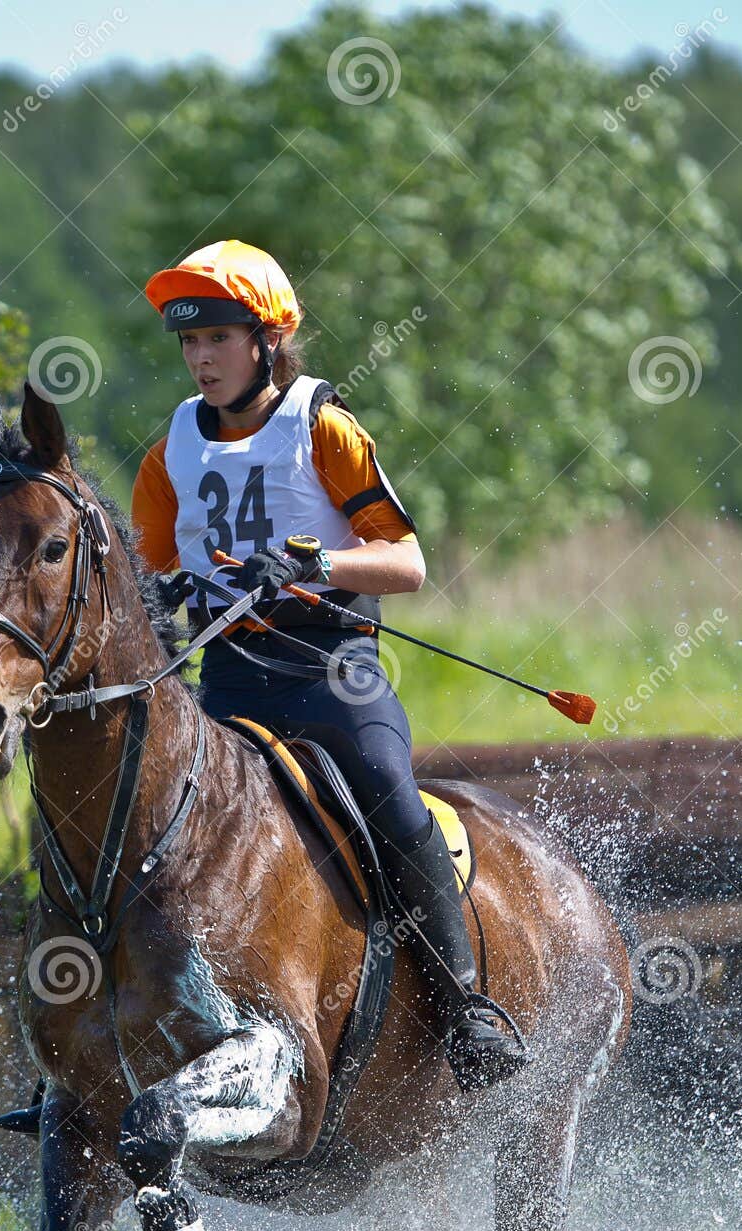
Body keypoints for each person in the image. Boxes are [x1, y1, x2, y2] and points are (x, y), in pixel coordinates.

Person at [131, 238, 528, 1091]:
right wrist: (156, 604)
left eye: (218, 340)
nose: (201, 359)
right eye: (189, 344)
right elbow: (154, 569)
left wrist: (315, 567)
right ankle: (92, 1056)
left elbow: (408, 564)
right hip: (228, 687)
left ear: (265, 340)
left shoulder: (321, 426)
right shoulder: (169, 451)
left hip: (331, 678)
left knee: (388, 794)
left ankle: (464, 1009)